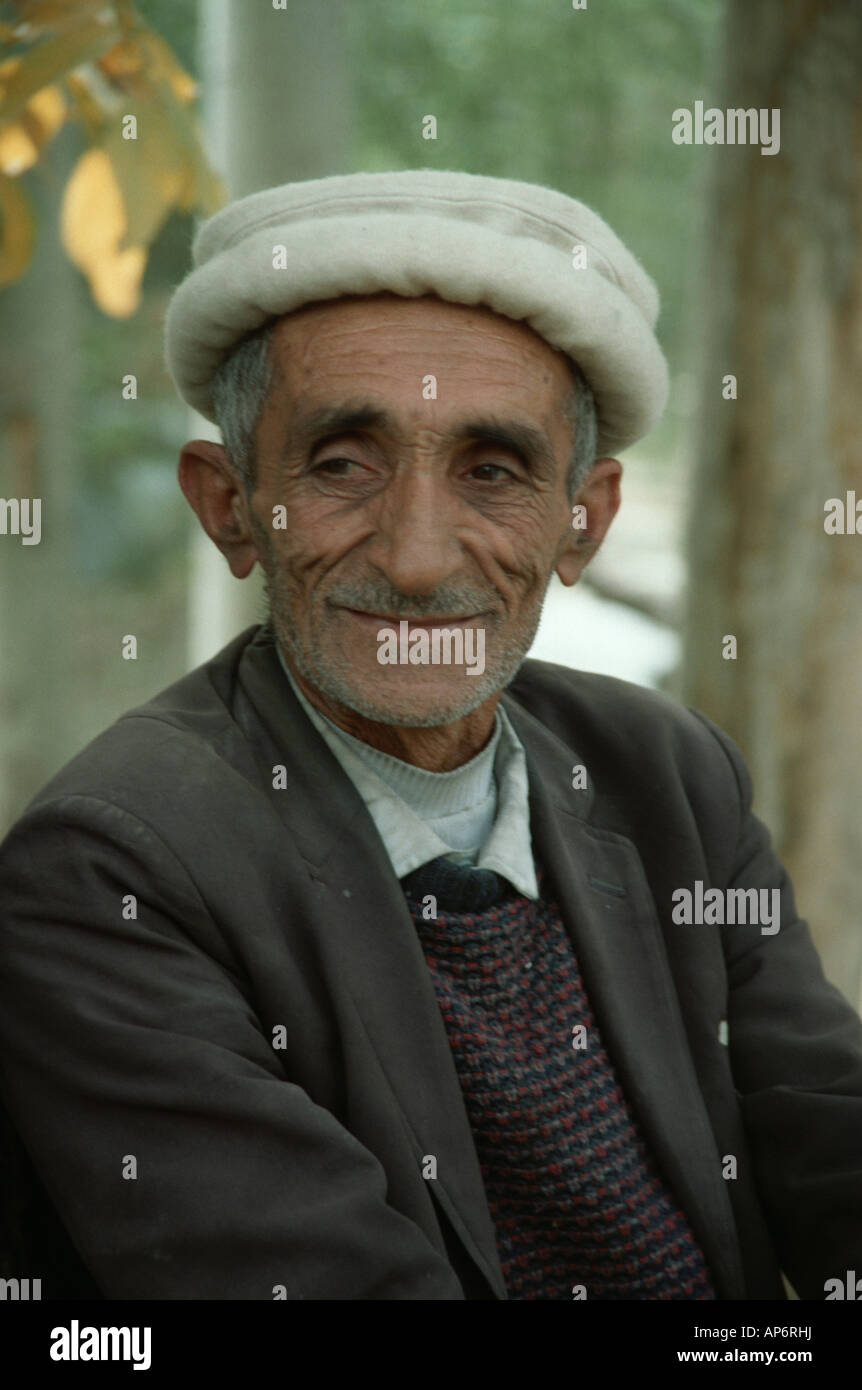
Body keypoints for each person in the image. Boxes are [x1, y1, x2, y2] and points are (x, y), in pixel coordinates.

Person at [0, 170, 860, 1302]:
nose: (415, 558)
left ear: (581, 520)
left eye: (492, 472)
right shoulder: (109, 871)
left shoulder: (664, 768)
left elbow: (827, 1136)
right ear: (227, 504)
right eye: (341, 464)